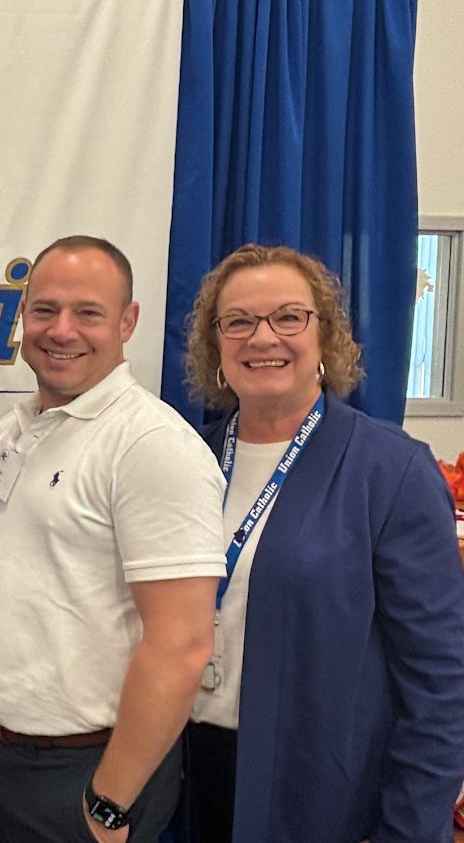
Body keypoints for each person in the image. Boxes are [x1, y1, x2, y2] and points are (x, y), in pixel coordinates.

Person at [176, 243, 464, 843]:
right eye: (239, 322)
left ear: (324, 336)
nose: (263, 338)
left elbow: (439, 683)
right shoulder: (183, 460)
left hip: (320, 796)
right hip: (182, 778)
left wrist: (409, 828)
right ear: (216, 347)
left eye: (288, 316)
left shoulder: (391, 472)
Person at [0, 236, 226, 843]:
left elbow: (183, 643)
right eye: (45, 310)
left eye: (88, 313)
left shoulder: (150, 445)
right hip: (3, 755)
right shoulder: (12, 429)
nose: (61, 331)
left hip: (91, 771)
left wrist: (110, 801)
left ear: (128, 321)